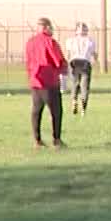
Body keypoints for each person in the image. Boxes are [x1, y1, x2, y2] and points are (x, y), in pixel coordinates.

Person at [24, 17, 67, 149]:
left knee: (36, 111)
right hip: (49, 81)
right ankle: (57, 139)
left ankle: (37, 140)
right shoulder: (50, 42)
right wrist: (63, 69)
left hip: (35, 81)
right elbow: (57, 59)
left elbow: (28, 60)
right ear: (47, 27)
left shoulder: (30, 42)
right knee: (56, 111)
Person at [64, 23, 95, 114]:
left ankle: (74, 100)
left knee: (74, 84)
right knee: (84, 86)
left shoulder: (70, 40)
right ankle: (83, 108)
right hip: (85, 62)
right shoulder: (90, 40)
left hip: (74, 62)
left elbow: (68, 53)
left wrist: (66, 64)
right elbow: (93, 53)